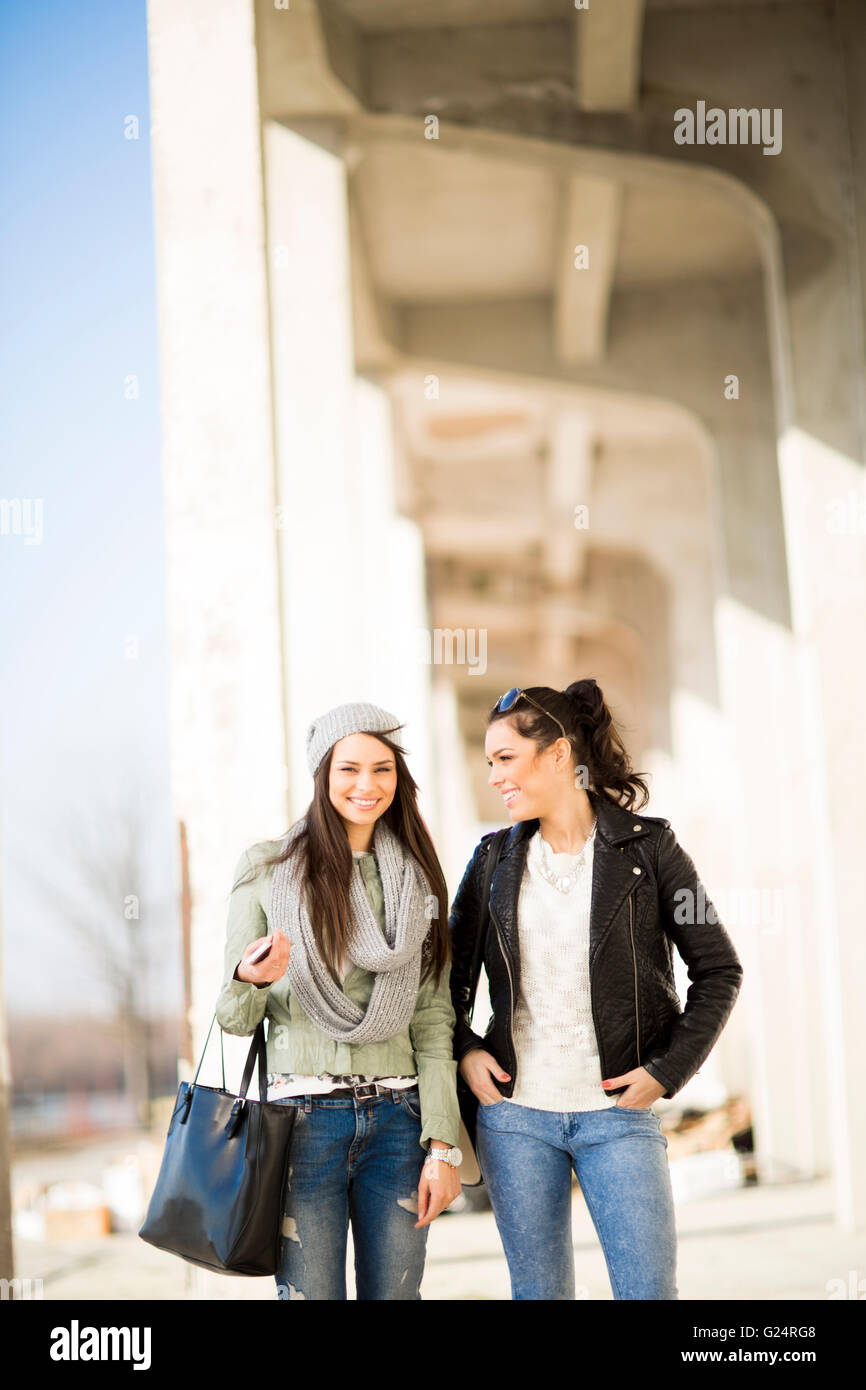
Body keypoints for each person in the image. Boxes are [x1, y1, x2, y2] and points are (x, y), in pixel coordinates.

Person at [449, 680, 744, 1300]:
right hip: (516, 1119)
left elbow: (718, 969)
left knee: (647, 1292)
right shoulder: (491, 862)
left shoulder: (652, 849)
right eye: (490, 763)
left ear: (558, 754)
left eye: (506, 759)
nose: (496, 776)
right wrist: (468, 1048)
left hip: (619, 1116)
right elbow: (441, 988)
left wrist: (667, 1071)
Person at [215, 701, 462, 1300]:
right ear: (323, 773)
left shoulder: (418, 879)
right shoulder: (268, 869)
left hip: (399, 1125)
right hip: (303, 1127)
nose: (366, 785)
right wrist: (251, 979)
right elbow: (232, 1017)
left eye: (382, 769)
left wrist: (444, 1144)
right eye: (348, 769)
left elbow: (432, 1018)